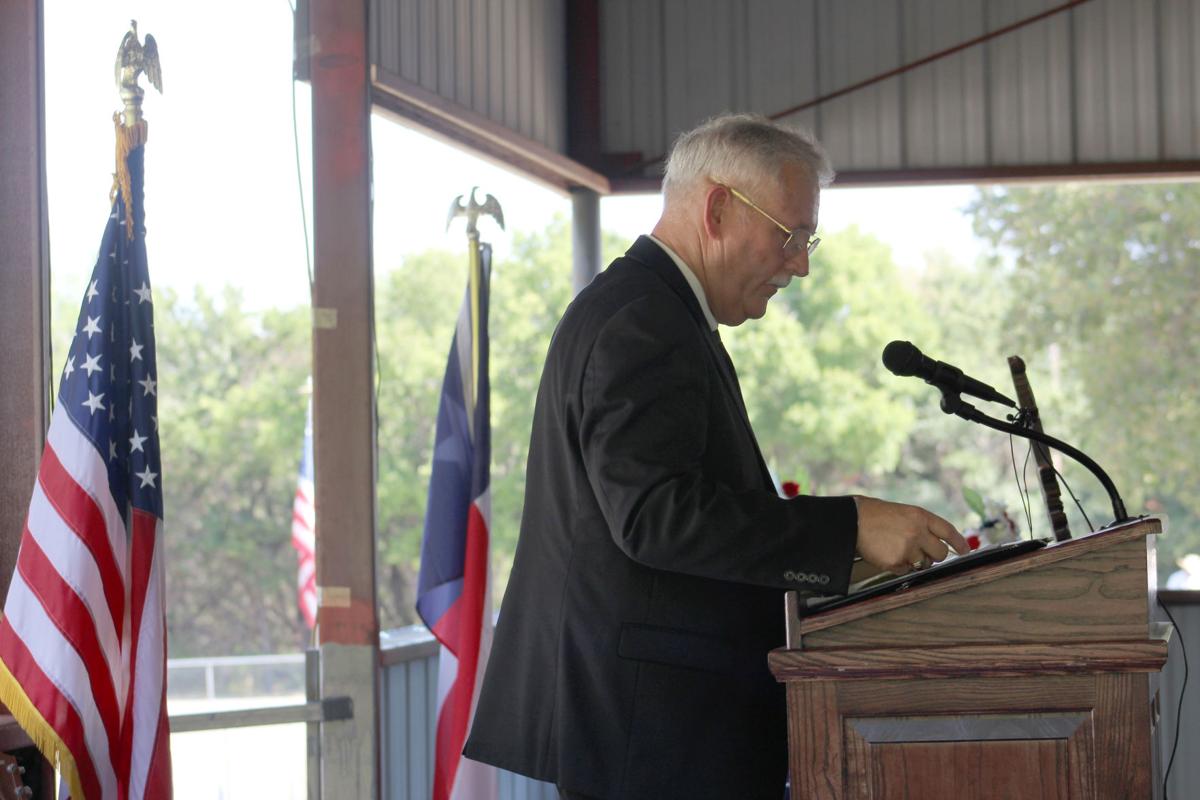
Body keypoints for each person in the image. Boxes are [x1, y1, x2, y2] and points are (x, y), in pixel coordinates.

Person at [463, 113, 968, 800]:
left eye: (807, 240)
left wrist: (845, 561)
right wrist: (849, 526)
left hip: (656, 735)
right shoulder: (644, 320)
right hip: (653, 739)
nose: (801, 263)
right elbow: (655, 516)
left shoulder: (654, 309)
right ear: (719, 209)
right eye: (790, 235)